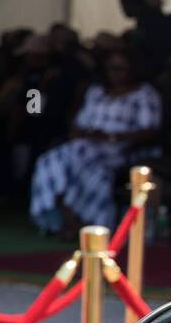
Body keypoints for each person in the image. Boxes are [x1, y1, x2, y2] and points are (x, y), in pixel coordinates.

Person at [30, 49, 161, 235]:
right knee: (49, 160)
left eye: (120, 68)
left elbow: (150, 130)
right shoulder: (96, 91)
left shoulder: (145, 93)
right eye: (111, 68)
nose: (115, 73)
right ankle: (60, 213)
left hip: (119, 149)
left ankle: (84, 223)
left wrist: (112, 137)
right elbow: (79, 123)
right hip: (86, 145)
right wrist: (85, 133)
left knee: (89, 167)